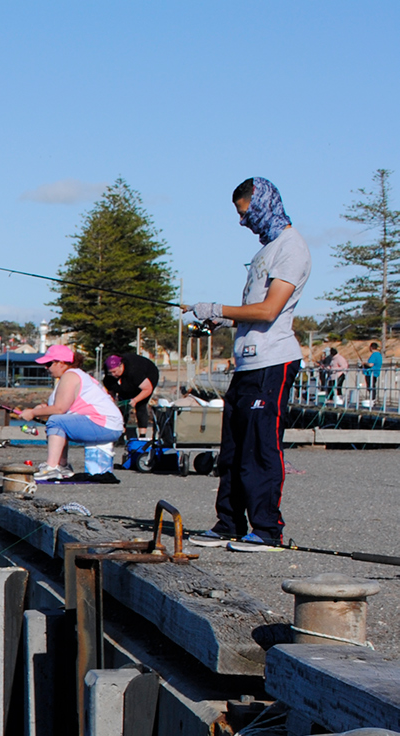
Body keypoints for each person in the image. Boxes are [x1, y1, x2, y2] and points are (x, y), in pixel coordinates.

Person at [184, 178, 310, 552]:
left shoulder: (292, 248)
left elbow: (270, 310)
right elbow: (253, 312)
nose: (243, 223)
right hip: (246, 365)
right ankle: (229, 524)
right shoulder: (267, 250)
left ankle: (268, 530)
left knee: (260, 448)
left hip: (273, 362)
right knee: (234, 449)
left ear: (263, 205)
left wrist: (218, 308)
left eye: (246, 214)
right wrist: (221, 320)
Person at [19, 345, 125, 480]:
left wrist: (33, 413)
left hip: (104, 424)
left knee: (56, 421)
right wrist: (42, 408)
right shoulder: (75, 375)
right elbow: (62, 406)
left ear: (61, 363)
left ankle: (52, 467)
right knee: (59, 421)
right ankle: (62, 466)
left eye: (49, 363)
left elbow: (59, 409)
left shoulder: (70, 376)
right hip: (109, 425)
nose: (46, 368)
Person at [103, 350, 160, 438]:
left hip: (149, 374)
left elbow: (147, 389)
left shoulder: (133, 371)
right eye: (111, 372)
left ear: (121, 366)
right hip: (130, 378)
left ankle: (142, 435)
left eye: (115, 372)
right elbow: (111, 390)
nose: (113, 374)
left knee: (140, 404)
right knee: (122, 402)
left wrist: (135, 400)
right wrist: (112, 402)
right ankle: (121, 432)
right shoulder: (109, 375)